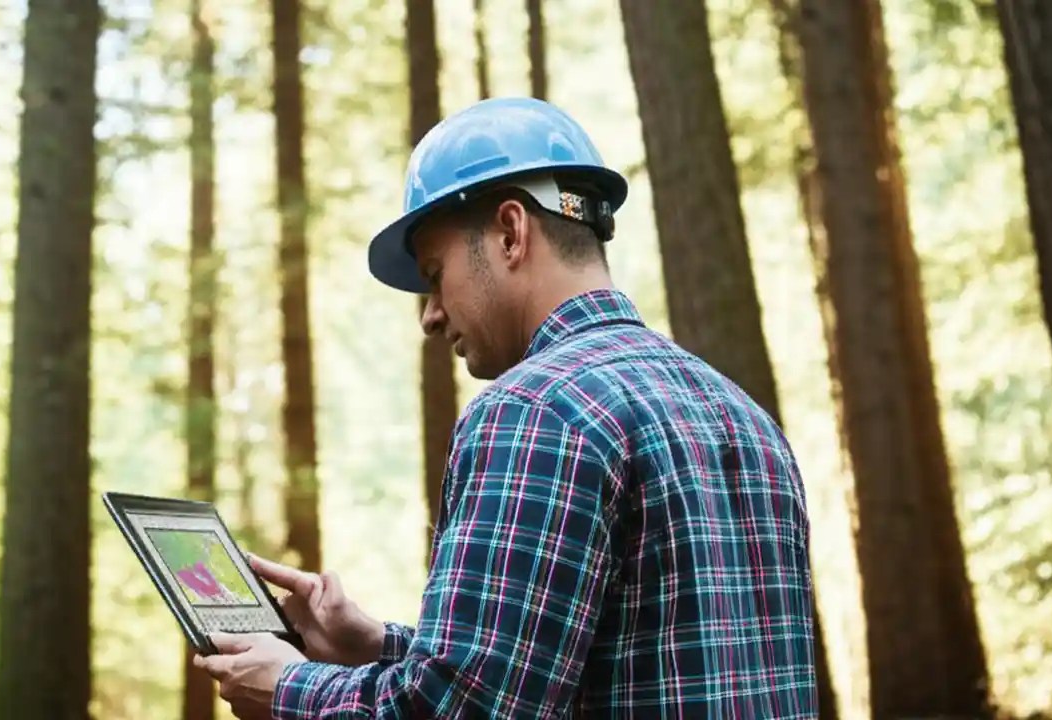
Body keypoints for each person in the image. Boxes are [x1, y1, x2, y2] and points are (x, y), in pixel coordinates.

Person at [195, 96, 819, 718]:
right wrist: (377, 646)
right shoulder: (741, 413)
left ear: (511, 233)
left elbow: (458, 709)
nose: (430, 315)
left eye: (436, 273)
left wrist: (285, 688)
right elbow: (577, 666)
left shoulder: (533, 411)